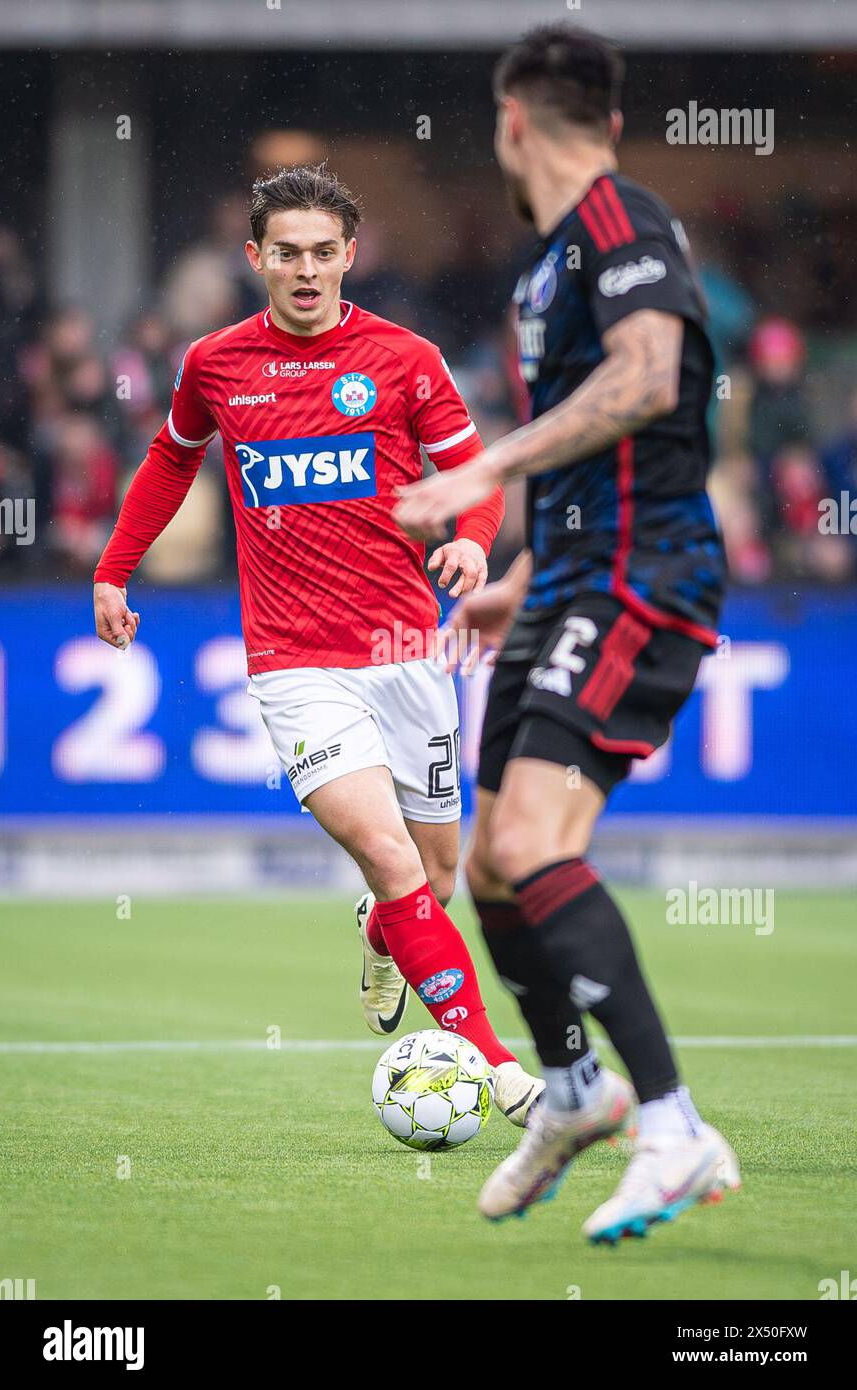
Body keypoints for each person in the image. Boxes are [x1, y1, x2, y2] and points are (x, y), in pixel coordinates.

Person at [93, 164, 543, 1126]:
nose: (306, 271)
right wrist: (113, 568)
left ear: (351, 255)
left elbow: (475, 473)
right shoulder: (216, 363)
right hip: (295, 663)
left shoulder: (407, 358)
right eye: (286, 253)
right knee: (391, 861)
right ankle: (494, 1064)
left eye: (323, 253)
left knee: (435, 878)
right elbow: (172, 461)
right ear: (255, 257)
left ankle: (384, 938)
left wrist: (468, 541)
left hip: (407, 652)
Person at [394, 26, 740, 1242]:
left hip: (644, 579)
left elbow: (649, 384)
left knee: (535, 841)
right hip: (571, 579)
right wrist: (524, 570)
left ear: (510, 122)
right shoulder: (548, 269)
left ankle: (674, 1124)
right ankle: (576, 1087)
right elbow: (603, 445)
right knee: (490, 862)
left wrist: (479, 467)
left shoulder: (618, 221)